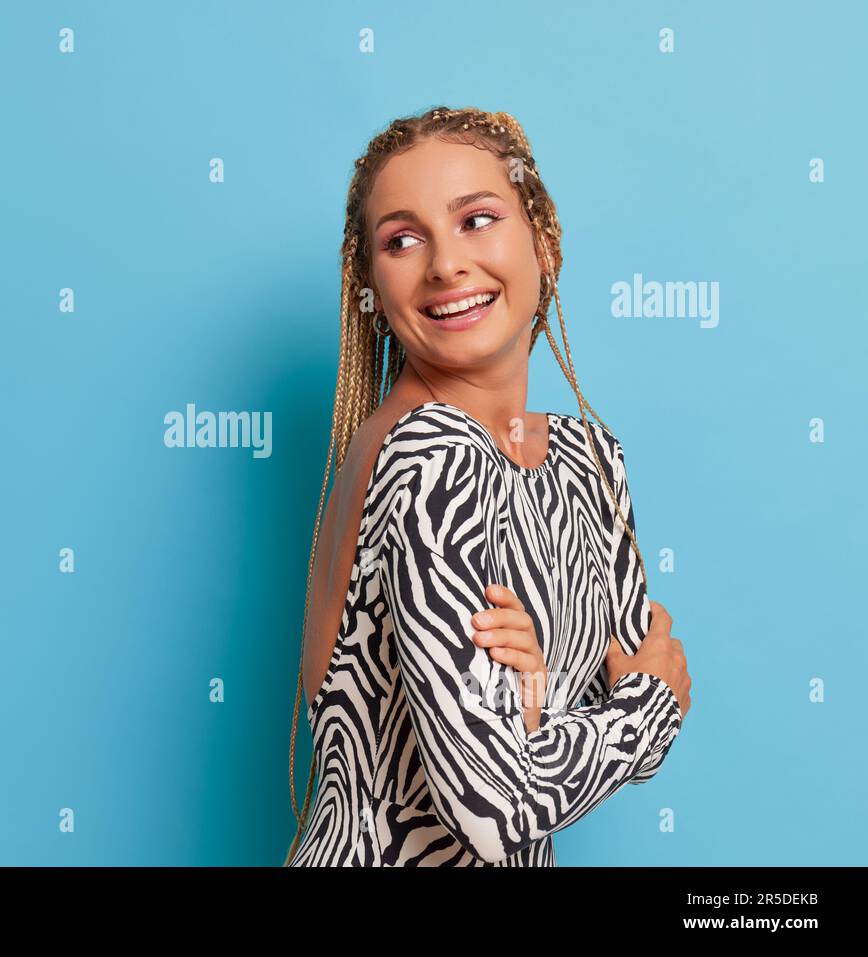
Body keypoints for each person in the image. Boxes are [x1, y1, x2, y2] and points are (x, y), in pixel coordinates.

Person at [283, 107, 693, 866]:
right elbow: (500, 809)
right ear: (369, 283)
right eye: (402, 240)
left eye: (476, 219)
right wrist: (646, 708)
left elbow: (589, 733)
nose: (445, 264)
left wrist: (535, 710)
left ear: (544, 240)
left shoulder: (588, 460)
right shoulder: (426, 455)